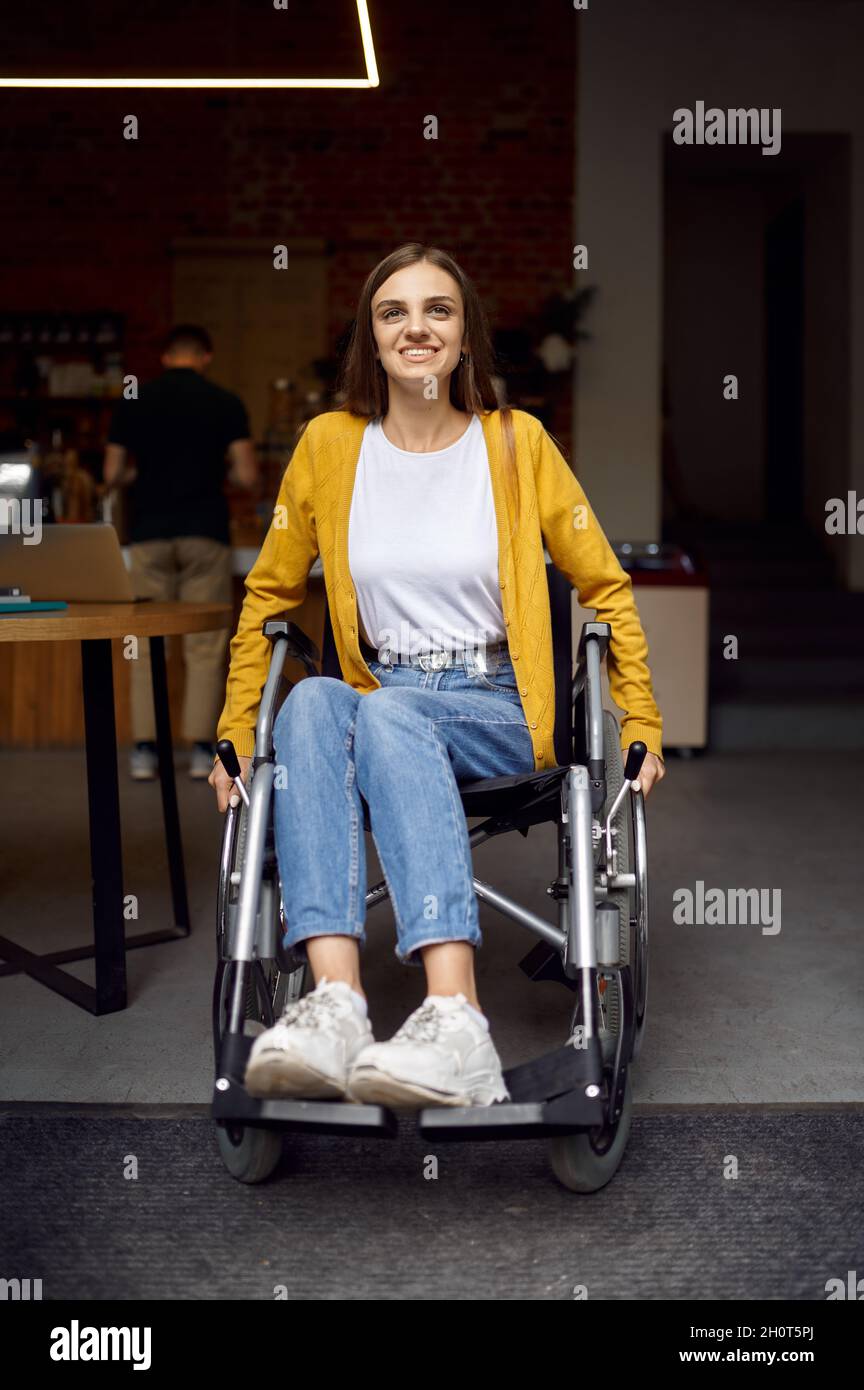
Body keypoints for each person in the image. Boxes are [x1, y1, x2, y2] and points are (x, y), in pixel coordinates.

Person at [209, 242, 665, 1110]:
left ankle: (456, 1021)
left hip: (496, 701)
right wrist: (235, 734)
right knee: (310, 700)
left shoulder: (517, 443)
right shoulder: (328, 447)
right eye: (394, 313)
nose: (416, 327)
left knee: (382, 715)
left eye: (438, 311)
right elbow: (269, 596)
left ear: (464, 337)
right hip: (384, 692)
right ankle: (336, 1002)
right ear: (370, 340)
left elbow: (605, 584)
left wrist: (636, 715)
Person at [104, 325, 257, 780]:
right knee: (206, 645)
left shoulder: (134, 400)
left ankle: (146, 751)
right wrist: (220, 471)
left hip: (148, 532)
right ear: (205, 356)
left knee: (147, 643)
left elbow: (112, 473)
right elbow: (248, 475)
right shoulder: (226, 402)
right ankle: (198, 750)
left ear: (166, 356)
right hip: (204, 530)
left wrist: (139, 478)